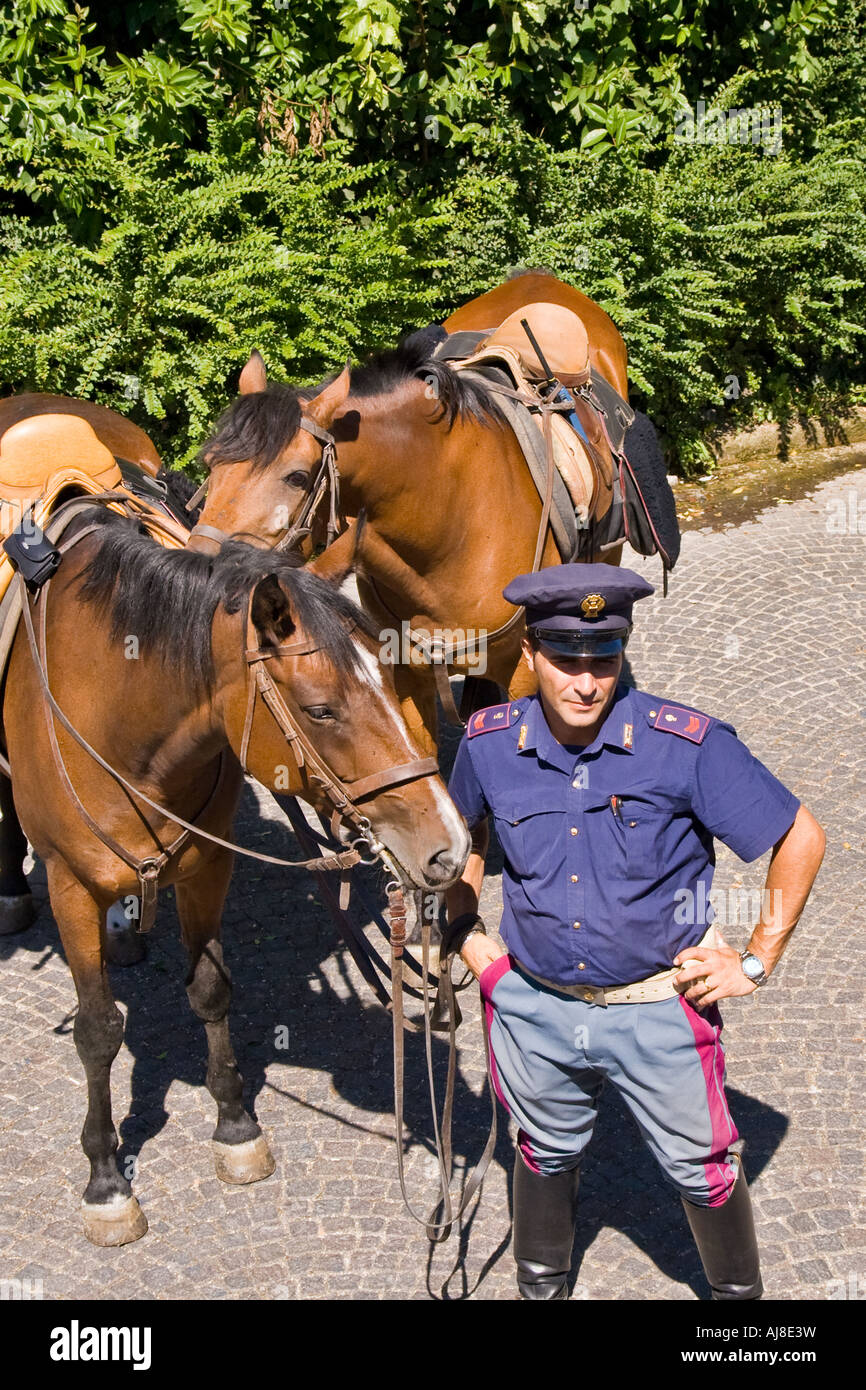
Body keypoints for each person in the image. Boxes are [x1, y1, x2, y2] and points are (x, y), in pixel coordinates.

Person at [444, 564, 825, 1300]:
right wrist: (466, 934)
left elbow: (800, 836)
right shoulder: (487, 744)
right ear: (528, 655)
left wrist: (755, 960)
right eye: (565, 659)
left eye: (604, 659)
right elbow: (458, 841)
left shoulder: (683, 745)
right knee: (544, 1151)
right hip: (535, 1007)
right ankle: (541, 1287)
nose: (586, 682)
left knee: (703, 1169)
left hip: (659, 1010)